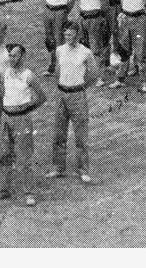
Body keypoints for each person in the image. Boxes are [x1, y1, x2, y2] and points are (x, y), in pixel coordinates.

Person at [0, 44, 46, 205]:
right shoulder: (5, 73)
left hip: (22, 120)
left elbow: (42, 97)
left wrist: (26, 109)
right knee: (2, 155)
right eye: (9, 55)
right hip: (6, 118)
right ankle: (4, 190)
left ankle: (29, 192)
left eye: (14, 55)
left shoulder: (29, 76)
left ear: (22, 57)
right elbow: (3, 95)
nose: (11, 58)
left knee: (23, 158)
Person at [47, 22, 97, 184]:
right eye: (65, 34)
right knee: (58, 133)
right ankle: (58, 167)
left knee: (81, 135)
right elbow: (57, 72)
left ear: (77, 35)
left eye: (70, 34)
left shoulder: (86, 53)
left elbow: (93, 75)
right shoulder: (60, 50)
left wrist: (80, 87)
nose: (67, 37)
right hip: (62, 94)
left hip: (77, 96)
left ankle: (83, 170)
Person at [42, 0, 75, 76]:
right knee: (49, 38)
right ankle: (52, 66)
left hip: (60, 11)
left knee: (59, 39)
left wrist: (66, 11)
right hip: (48, 10)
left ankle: (63, 68)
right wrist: (46, 8)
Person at [75, 0, 108, 86]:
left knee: (96, 49)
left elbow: (105, 6)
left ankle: (100, 77)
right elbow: (79, 3)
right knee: (82, 48)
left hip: (94, 20)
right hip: (83, 20)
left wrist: (97, 18)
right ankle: (84, 75)